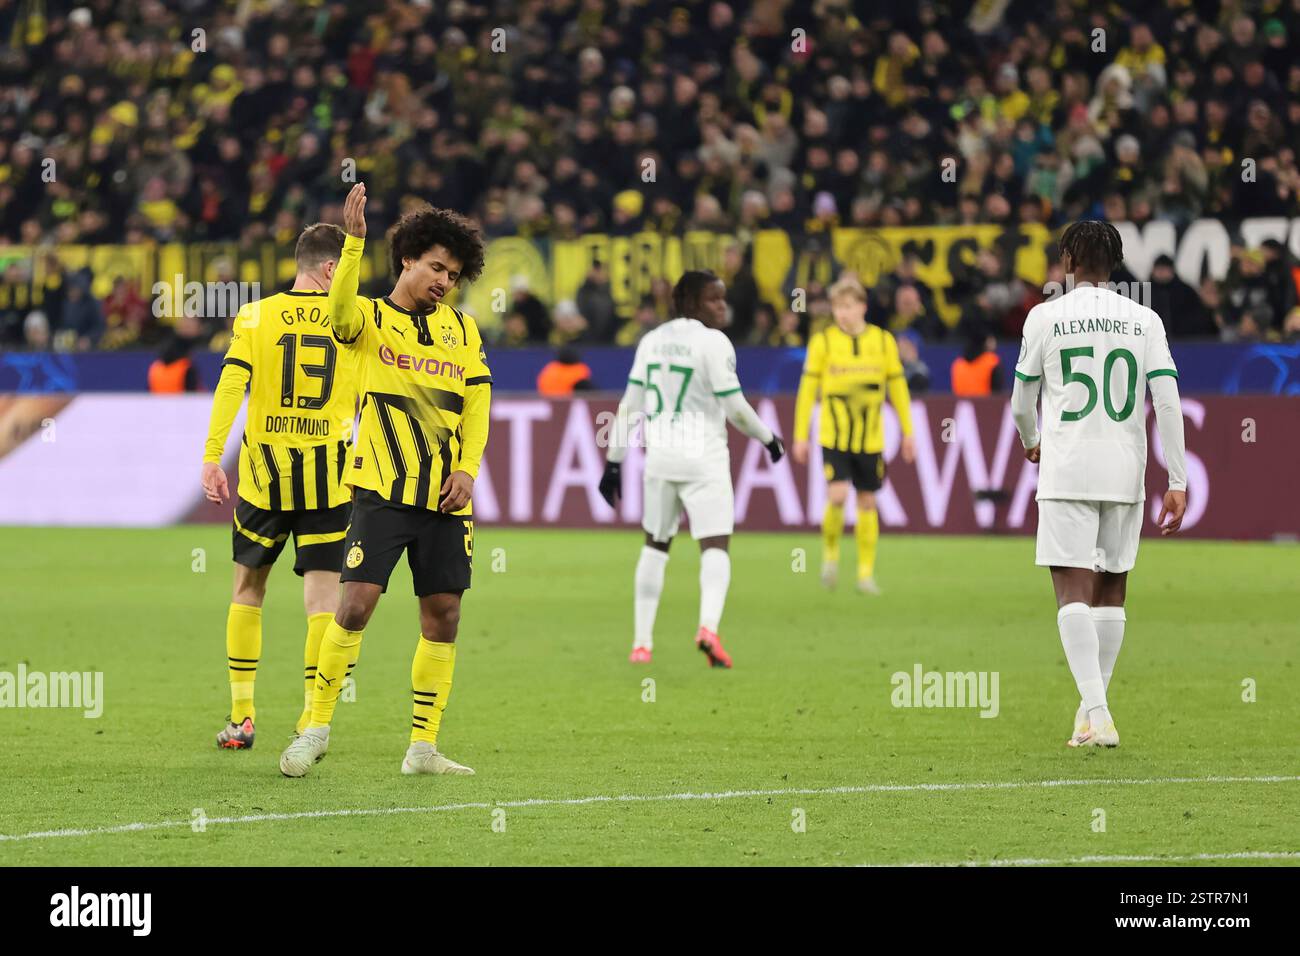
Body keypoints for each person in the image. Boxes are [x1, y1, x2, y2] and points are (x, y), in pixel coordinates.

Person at [280, 183, 491, 778]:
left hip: (444, 498)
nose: (444, 281)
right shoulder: (368, 318)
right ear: (407, 259)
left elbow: (478, 406)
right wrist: (351, 247)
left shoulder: (464, 332)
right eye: (435, 268)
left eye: (452, 273)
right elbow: (338, 312)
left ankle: (423, 747)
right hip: (380, 489)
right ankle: (314, 727)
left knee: (444, 612)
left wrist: (468, 468)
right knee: (355, 605)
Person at [1010, 220, 1187, 749]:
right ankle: (1091, 715)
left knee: (1071, 590)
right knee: (1112, 587)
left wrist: (1030, 439)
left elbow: (1022, 400)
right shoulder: (1144, 320)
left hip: (1066, 468)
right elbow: (1167, 401)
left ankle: (1098, 710)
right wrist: (1177, 478)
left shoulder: (1044, 317)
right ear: (1115, 263)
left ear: (1067, 260)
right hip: (1125, 469)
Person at [201, 223, 358, 749]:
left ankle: (242, 716)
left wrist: (210, 457)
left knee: (248, 589)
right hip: (329, 480)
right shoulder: (354, 322)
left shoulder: (256, 314)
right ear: (331, 269)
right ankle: (313, 718)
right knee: (322, 600)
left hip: (265, 477)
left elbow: (231, 385)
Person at [598, 270, 784, 668]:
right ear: (693, 303)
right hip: (704, 459)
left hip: (661, 458)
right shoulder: (714, 343)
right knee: (715, 545)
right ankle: (708, 629)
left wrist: (613, 463)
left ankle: (641, 643)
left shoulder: (651, 341)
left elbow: (630, 407)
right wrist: (769, 438)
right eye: (715, 299)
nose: (723, 306)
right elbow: (735, 408)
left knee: (654, 545)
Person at [792, 275, 916, 594]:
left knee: (867, 502)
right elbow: (806, 391)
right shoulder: (823, 342)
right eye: (836, 307)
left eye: (847, 306)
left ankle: (864, 574)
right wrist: (800, 435)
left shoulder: (884, 341)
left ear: (862, 306)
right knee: (837, 495)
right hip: (833, 435)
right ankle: (830, 559)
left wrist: (908, 432)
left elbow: (898, 387)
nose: (841, 314)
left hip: (871, 438)